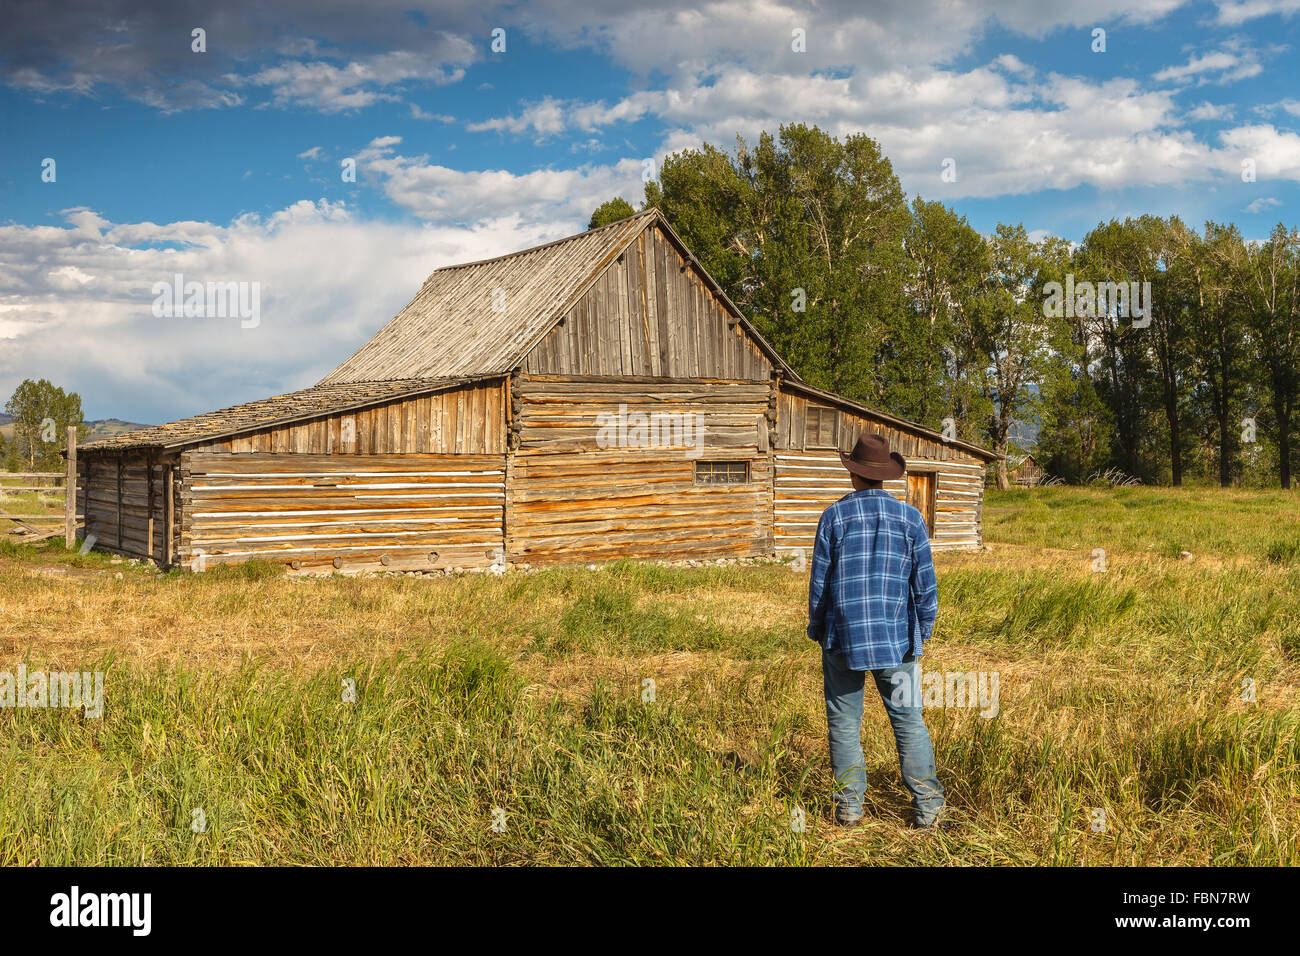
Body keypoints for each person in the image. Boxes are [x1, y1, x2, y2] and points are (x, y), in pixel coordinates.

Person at [806, 432, 946, 828]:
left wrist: (818, 629)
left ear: (853, 474)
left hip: (843, 640)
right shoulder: (911, 518)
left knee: (844, 724)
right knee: (908, 722)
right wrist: (924, 631)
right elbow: (926, 586)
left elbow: (820, 584)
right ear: (885, 475)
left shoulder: (834, 517)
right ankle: (928, 809)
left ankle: (850, 809)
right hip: (896, 641)